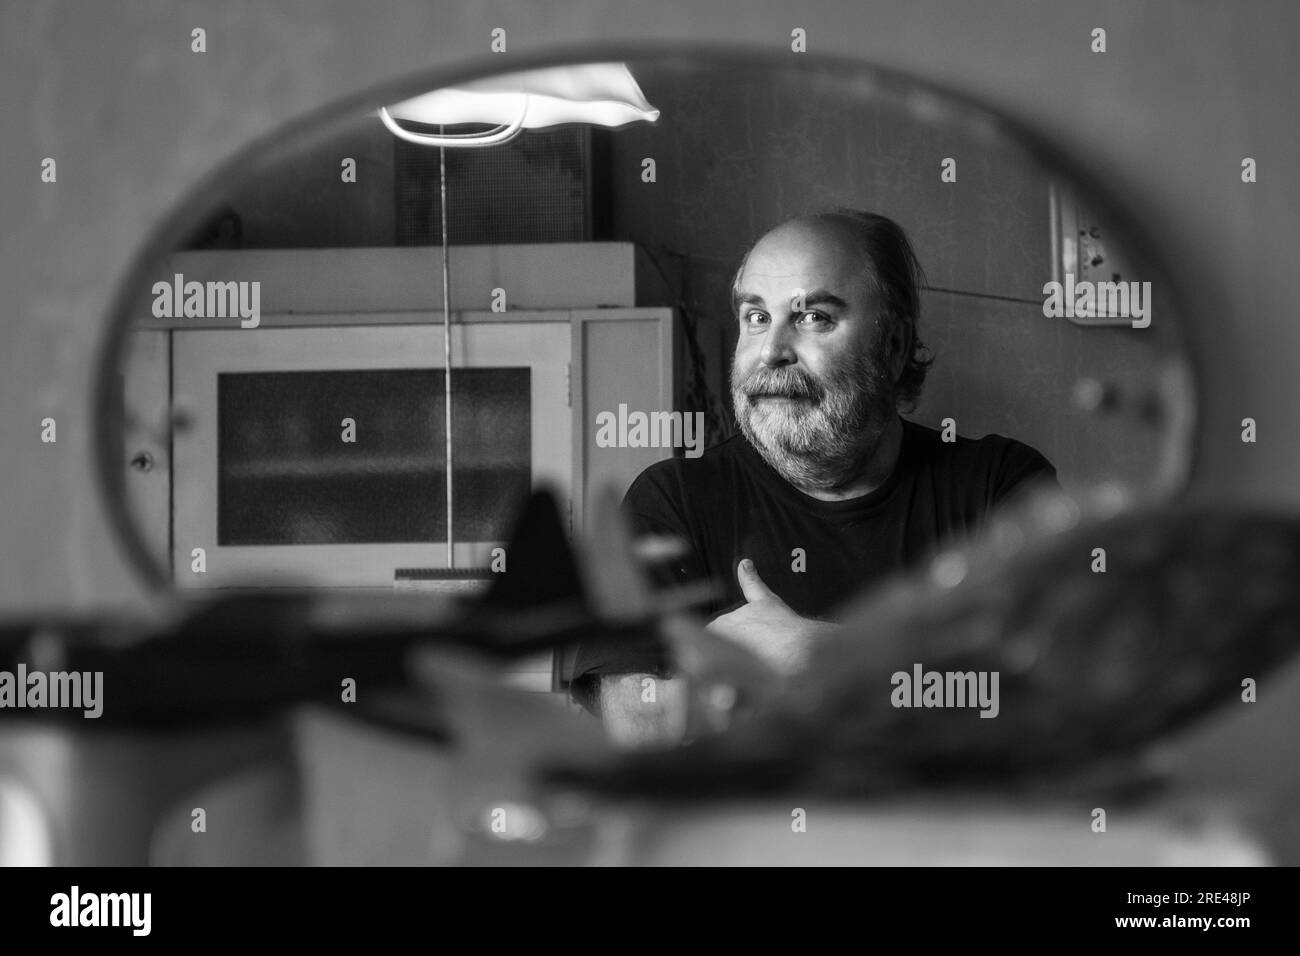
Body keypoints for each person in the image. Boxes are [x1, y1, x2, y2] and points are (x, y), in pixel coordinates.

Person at [570, 210, 1058, 746]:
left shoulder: (1001, 489)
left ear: (893, 347)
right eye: (757, 317)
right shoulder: (672, 502)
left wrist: (824, 658)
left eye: (814, 318)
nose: (771, 351)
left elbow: (1065, 699)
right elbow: (635, 723)